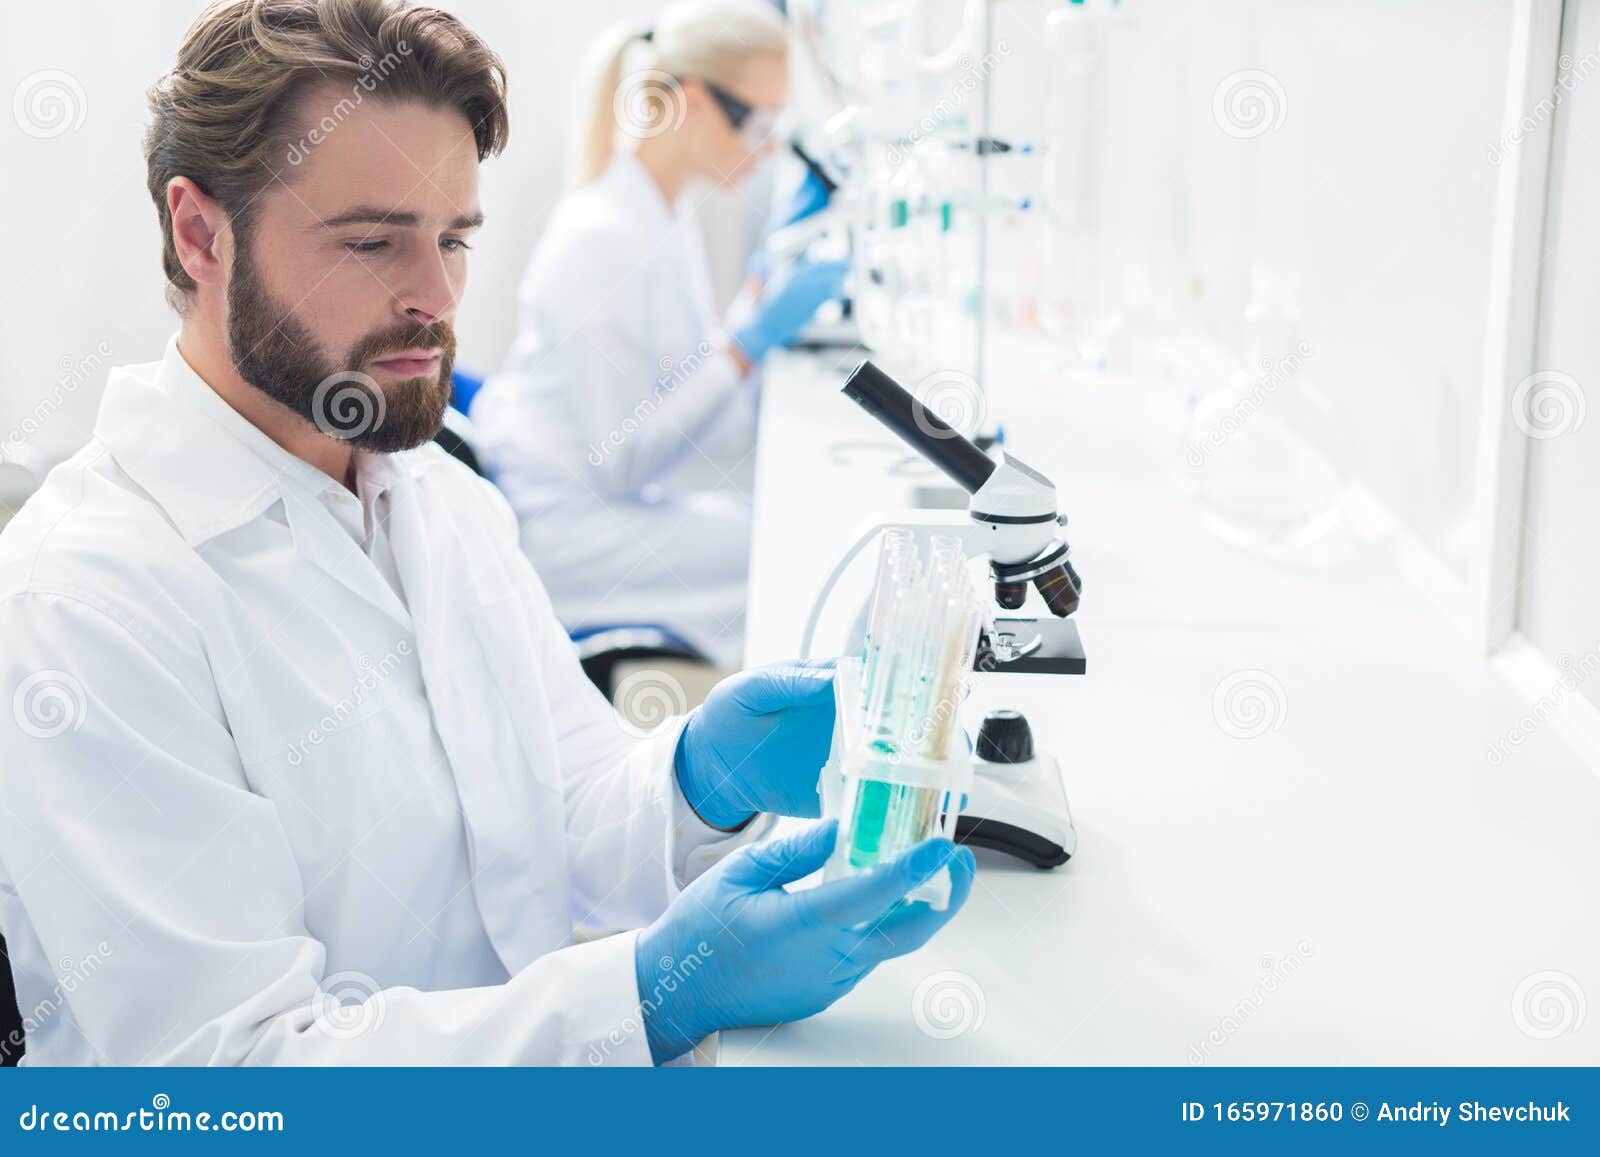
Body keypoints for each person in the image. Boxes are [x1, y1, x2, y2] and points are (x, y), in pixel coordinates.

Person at [0, 0, 971, 1067]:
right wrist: (646, 997)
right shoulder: (89, 603)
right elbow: (236, 1081)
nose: (436, 296)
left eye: (454, 238)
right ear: (201, 232)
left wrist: (697, 778)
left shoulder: (430, 487)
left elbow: (561, 808)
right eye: (372, 242)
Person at [469, 0, 847, 670]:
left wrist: (755, 303)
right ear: (693, 103)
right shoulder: (602, 240)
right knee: (789, 554)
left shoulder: (665, 218)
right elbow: (624, 457)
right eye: (759, 123)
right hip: (566, 531)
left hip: (613, 502)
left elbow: (703, 415)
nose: (766, 152)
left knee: (787, 534)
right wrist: (745, 343)